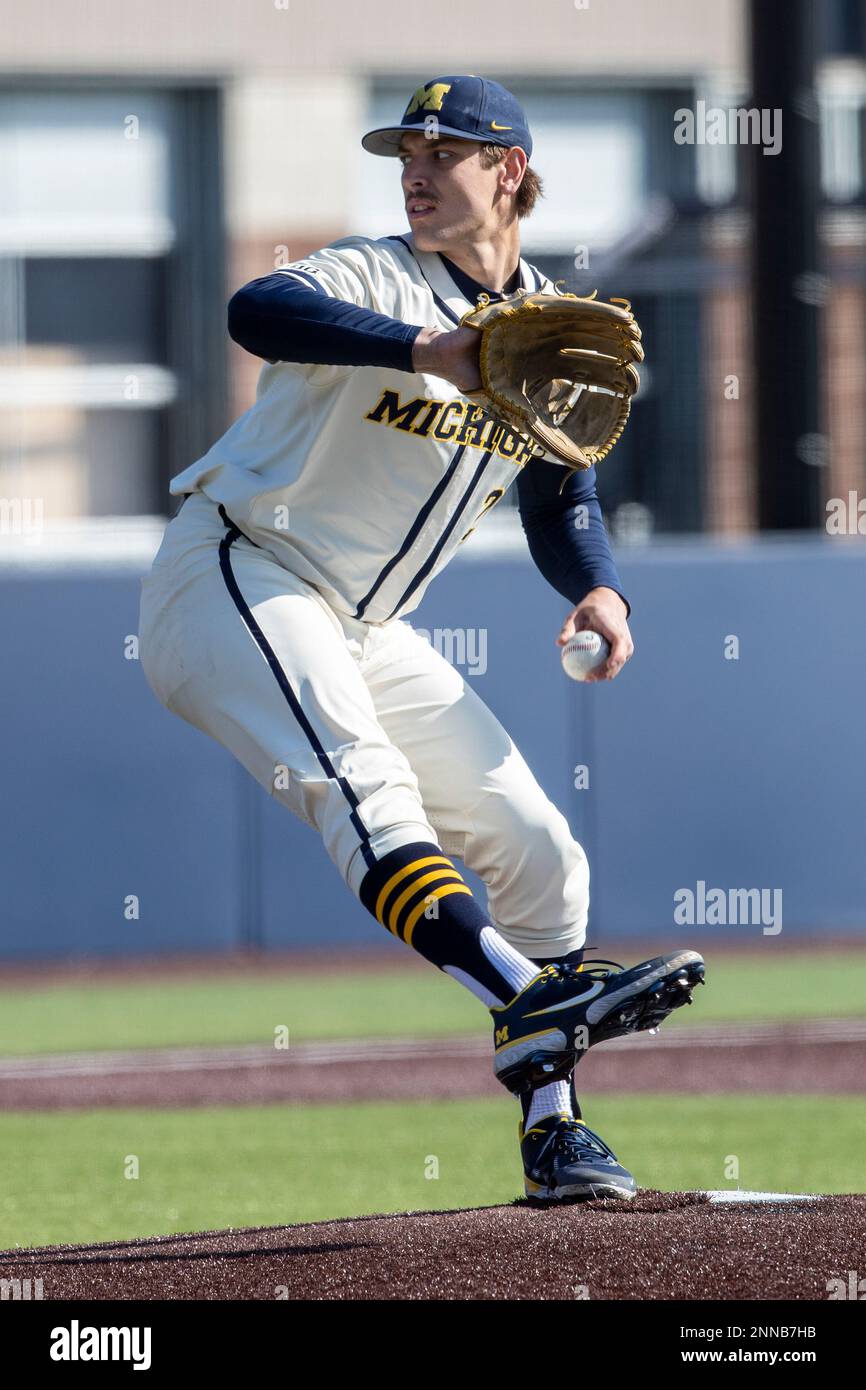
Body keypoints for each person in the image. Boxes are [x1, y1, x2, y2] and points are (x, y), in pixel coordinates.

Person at [139, 75, 704, 1203]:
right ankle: (519, 991)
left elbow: (560, 497)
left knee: (539, 846)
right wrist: (423, 347)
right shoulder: (373, 272)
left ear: (507, 170)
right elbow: (257, 310)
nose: (415, 169)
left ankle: (555, 1127)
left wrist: (598, 591)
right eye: (406, 148)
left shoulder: (544, 321)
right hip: (240, 571)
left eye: (443, 151)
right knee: (367, 788)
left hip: (367, 621)